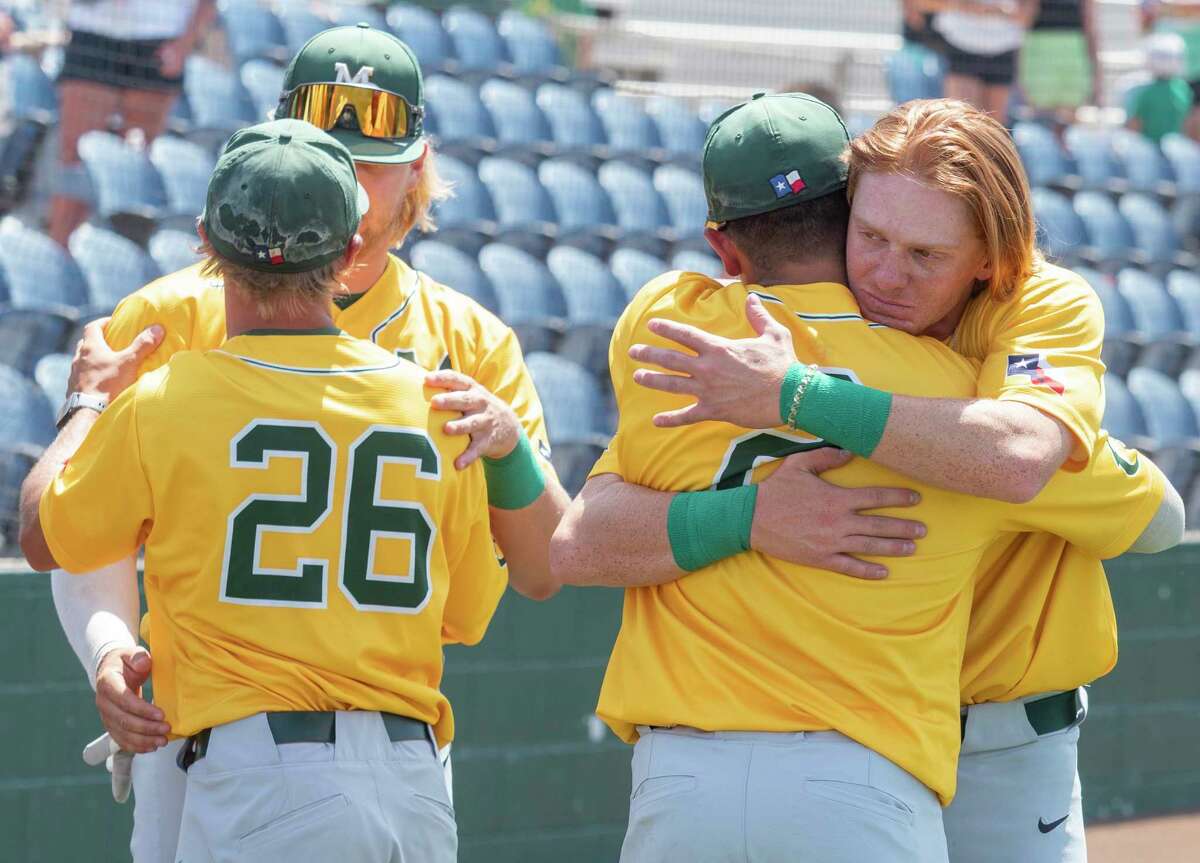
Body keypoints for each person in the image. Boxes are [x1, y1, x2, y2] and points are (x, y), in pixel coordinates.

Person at [550, 92, 1181, 862]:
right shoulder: (761, 347)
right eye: (871, 236)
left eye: (925, 255)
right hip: (871, 746)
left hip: (1001, 736)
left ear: (989, 258)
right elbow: (578, 539)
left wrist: (798, 395)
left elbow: (1036, 462)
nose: (887, 274)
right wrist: (752, 515)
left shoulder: (1029, 314)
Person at [48, 24, 569, 863]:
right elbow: (88, 531)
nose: (349, 181)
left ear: (418, 166)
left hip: (386, 728)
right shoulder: (167, 316)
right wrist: (110, 646)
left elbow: (542, 567)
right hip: (196, 727)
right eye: (329, 152)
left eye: (374, 160)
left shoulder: (472, 342)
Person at [49, 0, 217, 245]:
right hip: (93, 34)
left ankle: (121, 257)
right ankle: (60, 250)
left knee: (134, 166)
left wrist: (185, 44)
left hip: (158, 39)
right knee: (76, 160)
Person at [931, 0, 1038, 124]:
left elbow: (1026, 16)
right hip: (959, 46)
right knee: (961, 120)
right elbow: (926, 4)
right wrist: (967, 7)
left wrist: (997, 11)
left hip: (1003, 49)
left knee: (994, 125)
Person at [1019, 0, 1099, 118]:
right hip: (1040, 48)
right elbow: (1025, 19)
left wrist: (1096, 68)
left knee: (1069, 113)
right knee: (1042, 114)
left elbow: (1089, 22)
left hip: (1073, 49)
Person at [1128, 32, 1195, 142]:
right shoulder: (1184, 89)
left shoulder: (1146, 93)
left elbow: (1135, 125)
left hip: (1151, 147)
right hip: (1178, 146)